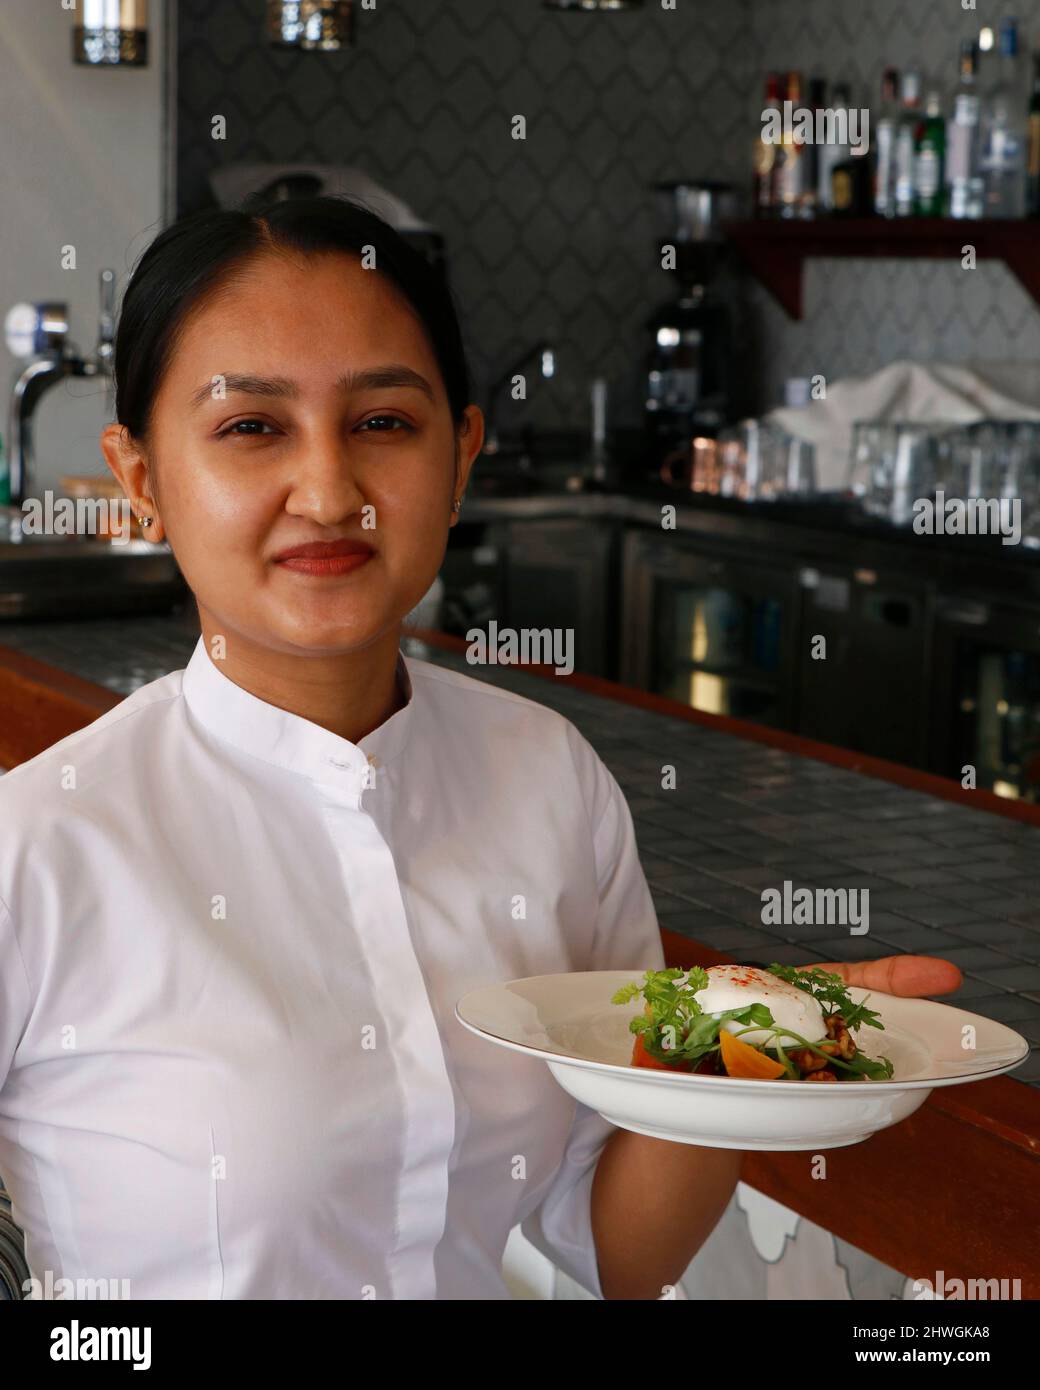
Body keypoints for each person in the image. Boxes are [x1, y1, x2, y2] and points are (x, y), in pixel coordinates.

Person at [0, 197, 963, 1300]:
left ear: (460, 455)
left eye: (382, 423)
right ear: (141, 480)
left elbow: (614, 1253)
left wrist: (737, 1058)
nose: (328, 493)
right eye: (251, 427)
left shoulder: (547, 780)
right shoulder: (42, 845)